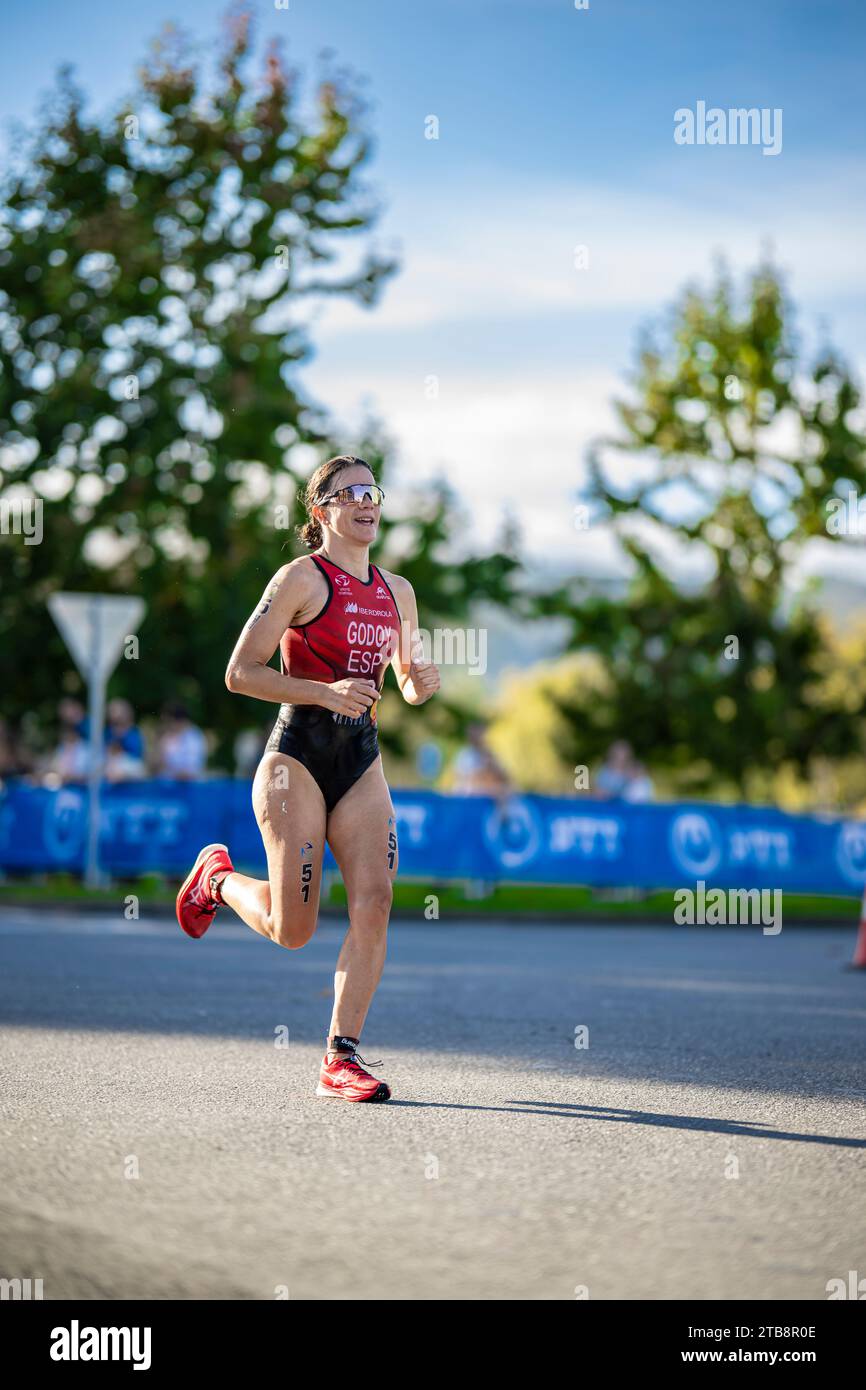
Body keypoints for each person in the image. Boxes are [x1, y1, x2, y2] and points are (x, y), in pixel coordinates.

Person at [175, 455, 441, 1103]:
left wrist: (419, 682)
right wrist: (324, 692)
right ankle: (216, 876)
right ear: (319, 510)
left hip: (361, 760)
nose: (366, 501)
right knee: (294, 930)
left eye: (372, 490)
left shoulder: (396, 590)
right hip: (297, 757)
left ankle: (339, 1057)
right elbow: (241, 672)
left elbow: (403, 677)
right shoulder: (300, 578)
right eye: (348, 493)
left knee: (375, 901)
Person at [157, 703, 207, 780]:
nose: (165, 725)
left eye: (167, 721)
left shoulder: (193, 738)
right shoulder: (167, 737)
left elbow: (191, 771)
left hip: (189, 788)